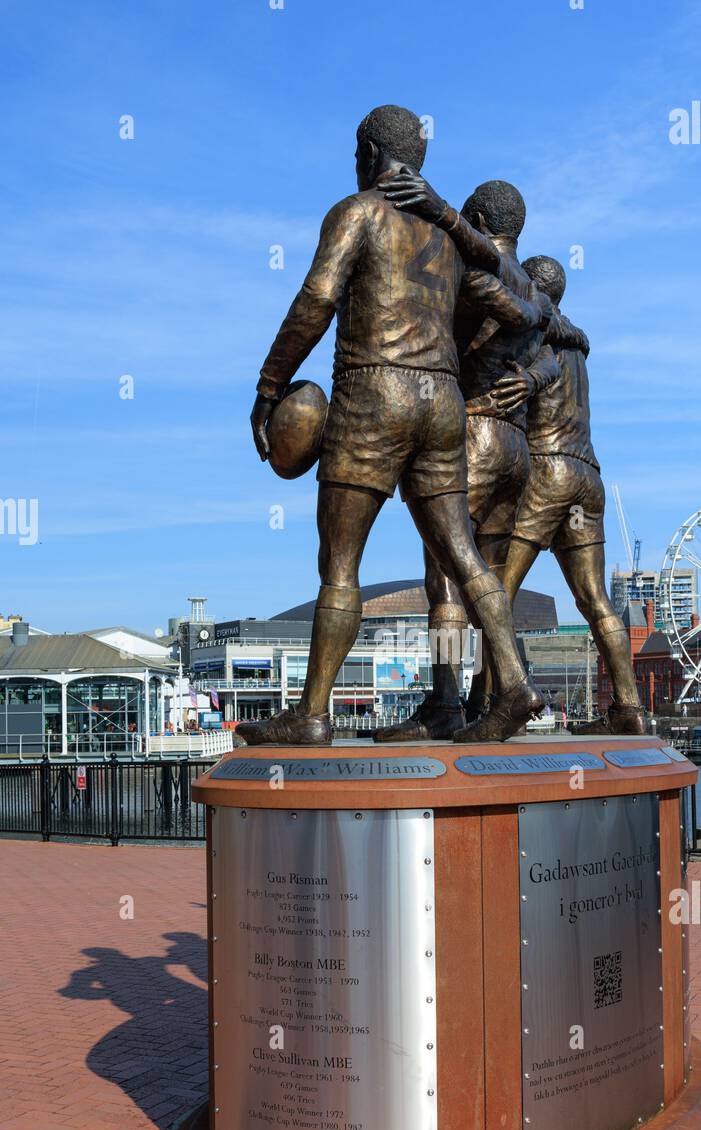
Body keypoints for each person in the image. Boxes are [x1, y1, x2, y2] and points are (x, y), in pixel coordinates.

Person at [239, 105, 544, 746]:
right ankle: (513, 683)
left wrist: (270, 388)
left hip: (371, 393)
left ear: (369, 151)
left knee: (340, 564)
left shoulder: (358, 212)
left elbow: (318, 299)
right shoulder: (449, 240)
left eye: (358, 152)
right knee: (461, 554)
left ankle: (313, 714)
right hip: (442, 405)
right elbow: (519, 305)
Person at [375, 175, 560, 741]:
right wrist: (530, 378)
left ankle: (447, 702)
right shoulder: (534, 287)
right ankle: (493, 700)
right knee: (493, 581)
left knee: (446, 580)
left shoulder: (473, 272)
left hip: (473, 431)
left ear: (479, 220)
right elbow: (554, 355)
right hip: (515, 450)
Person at [500, 255, 646, 735]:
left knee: (497, 590)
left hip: (548, 469)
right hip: (588, 476)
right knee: (594, 597)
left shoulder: (535, 333)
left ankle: (502, 700)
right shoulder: (577, 347)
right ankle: (628, 710)